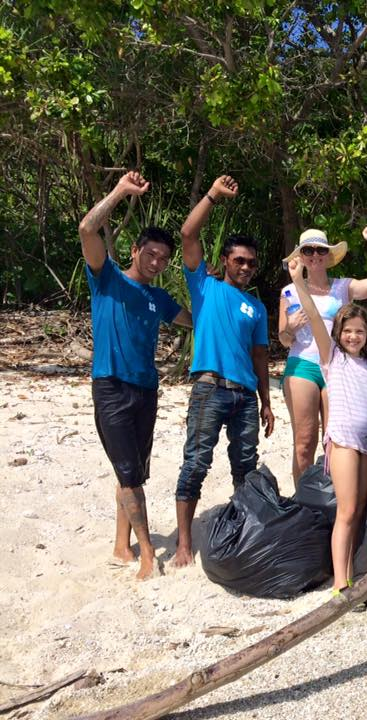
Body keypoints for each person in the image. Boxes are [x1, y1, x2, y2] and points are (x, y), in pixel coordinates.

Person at [79, 171, 192, 579]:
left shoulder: (159, 297)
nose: (157, 262)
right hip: (110, 385)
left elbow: (192, 321)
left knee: (132, 470)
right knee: (129, 473)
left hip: (147, 389)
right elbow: (88, 228)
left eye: (164, 259)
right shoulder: (106, 277)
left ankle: (119, 546)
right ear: (135, 249)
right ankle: (147, 554)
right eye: (152, 255)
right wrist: (120, 192)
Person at [172, 175, 275, 568]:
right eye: (239, 261)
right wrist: (213, 196)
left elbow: (261, 356)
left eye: (251, 262)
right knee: (196, 461)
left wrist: (266, 401)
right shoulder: (205, 287)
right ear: (226, 261)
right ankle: (184, 543)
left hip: (246, 396)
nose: (246, 267)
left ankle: (244, 526)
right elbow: (187, 233)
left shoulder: (257, 308)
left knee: (244, 466)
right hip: (210, 389)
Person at [288, 256, 367, 593]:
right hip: (342, 441)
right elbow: (314, 318)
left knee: (359, 509)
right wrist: (299, 282)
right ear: (338, 334)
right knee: (345, 510)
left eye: (360, 331)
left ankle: (351, 570)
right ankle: (340, 583)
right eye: (348, 331)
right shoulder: (332, 357)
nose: (354, 337)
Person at [278, 206, 367, 484]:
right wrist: (290, 327)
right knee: (304, 442)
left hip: (338, 369)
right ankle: (304, 502)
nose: (314, 256)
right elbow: (283, 338)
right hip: (302, 364)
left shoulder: (343, 286)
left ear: (328, 255)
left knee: (337, 439)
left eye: (320, 250)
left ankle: (333, 496)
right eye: (308, 251)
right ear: (300, 256)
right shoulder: (289, 290)